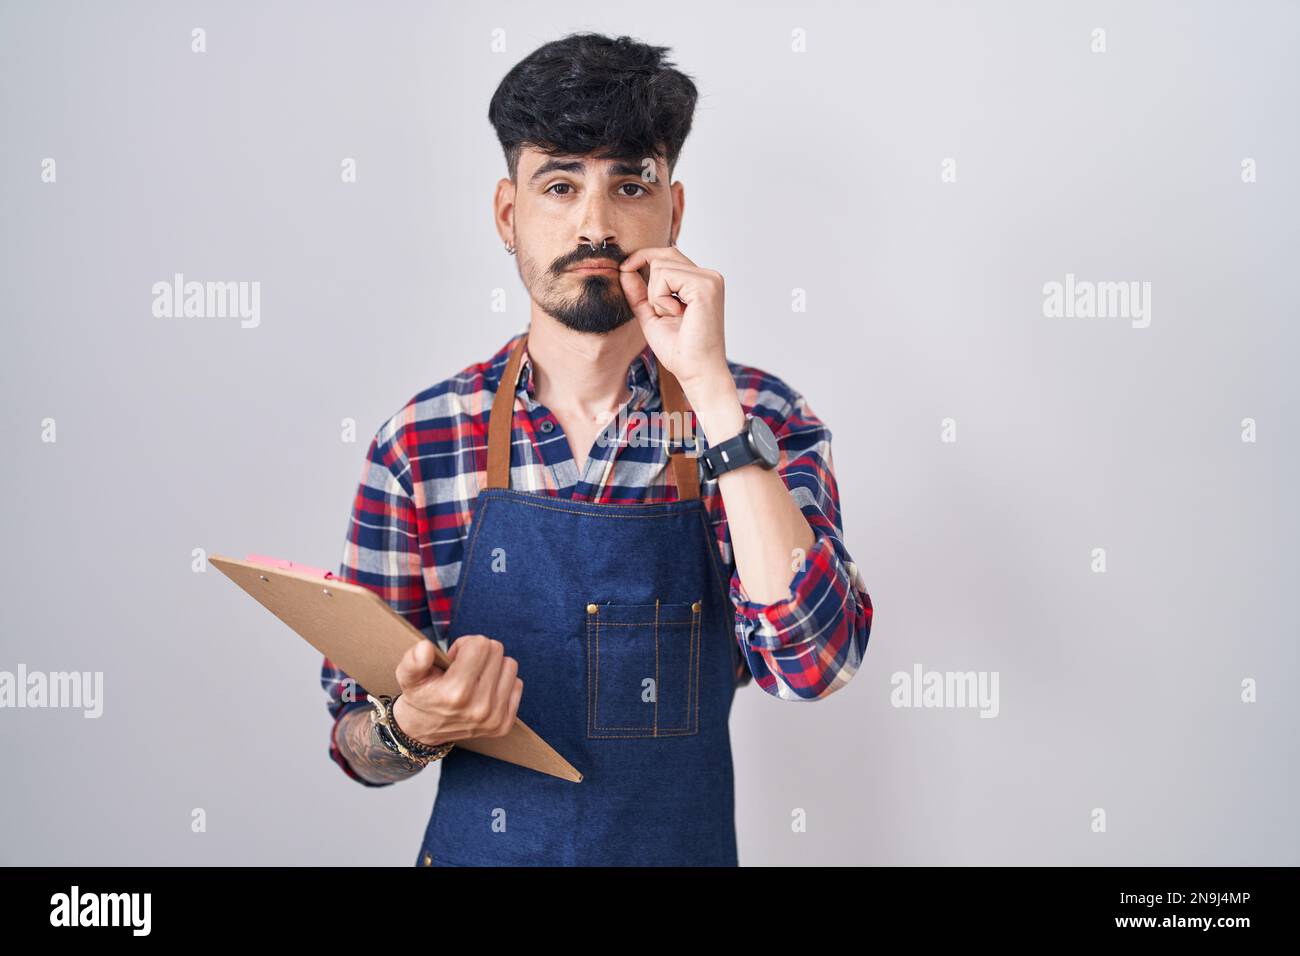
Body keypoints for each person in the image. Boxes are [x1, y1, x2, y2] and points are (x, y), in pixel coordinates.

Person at [320, 32, 874, 866]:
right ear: (510, 215)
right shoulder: (421, 442)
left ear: (672, 214)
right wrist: (410, 726)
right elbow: (355, 739)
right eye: (559, 184)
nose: (594, 223)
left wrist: (714, 394)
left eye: (629, 184)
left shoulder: (757, 414)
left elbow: (816, 663)